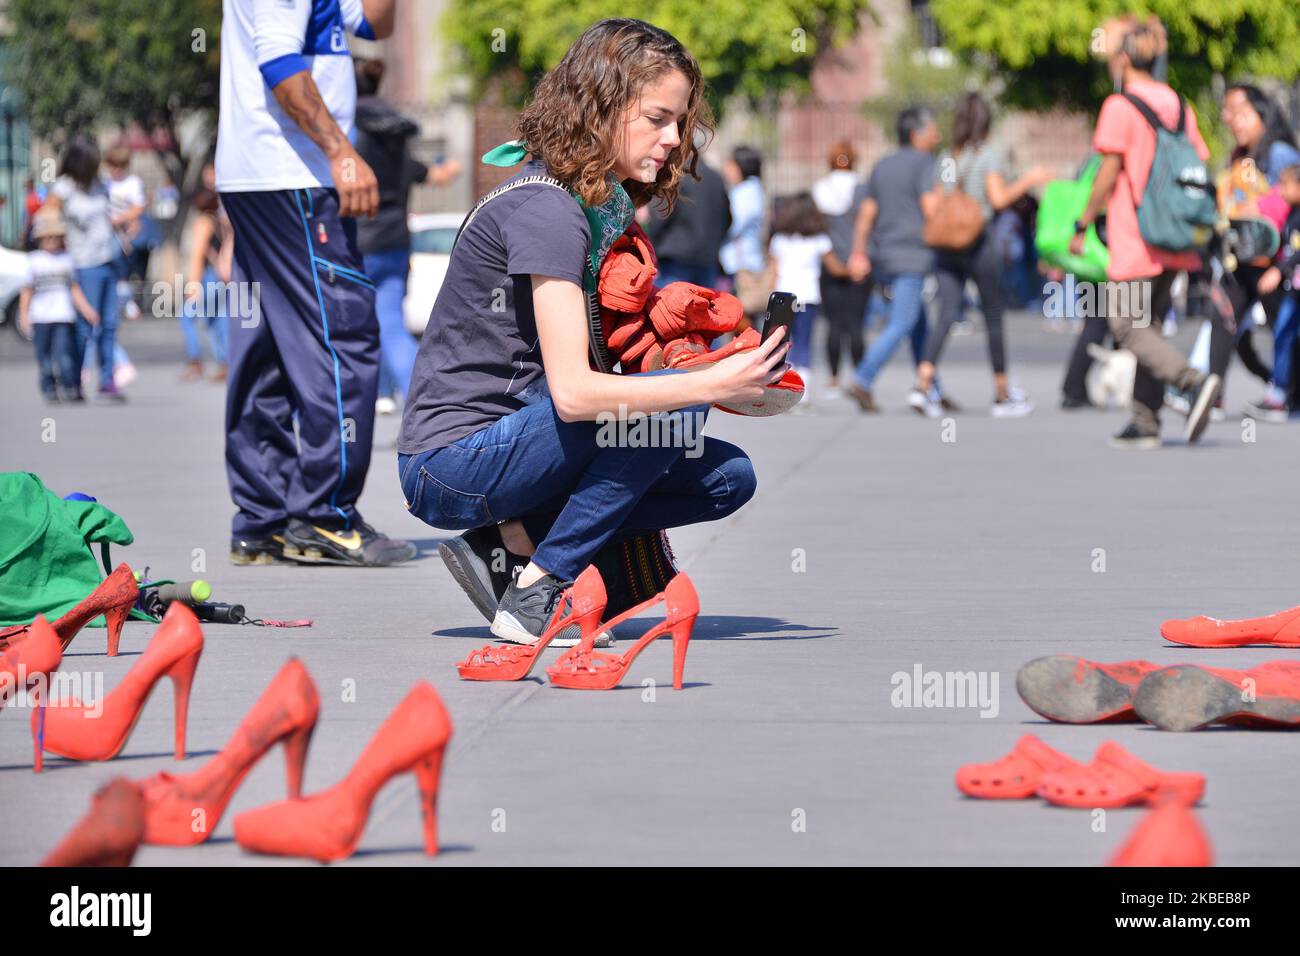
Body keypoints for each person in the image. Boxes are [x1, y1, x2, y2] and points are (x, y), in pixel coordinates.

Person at [396, 18, 781, 643]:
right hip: (453, 461)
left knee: (728, 476)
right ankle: (540, 588)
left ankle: (508, 542)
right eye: (657, 118)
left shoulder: (593, 207)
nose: (674, 138)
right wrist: (705, 382)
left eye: (679, 122)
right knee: (669, 416)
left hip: (528, 441)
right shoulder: (548, 207)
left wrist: (730, 381)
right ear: (603, 105)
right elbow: (577, 394)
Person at [216, 0, 415, 567]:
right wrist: (341, 152)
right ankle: (324, 516)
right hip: (296, 175)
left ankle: (264, 519)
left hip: (261, 177)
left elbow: (374, 24)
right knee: (343, 341)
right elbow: (280, 64)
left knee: (269, 351)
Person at [1069, 18, 1220, 448]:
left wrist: (1083, 223)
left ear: (1122, 60)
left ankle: (1191, 383)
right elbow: (1197, 158)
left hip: (1137, 236)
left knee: (1127, 326)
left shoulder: (1120, 106)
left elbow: (1108, 171)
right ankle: (1145, 421)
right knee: (1147, 324)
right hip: (1175, 234)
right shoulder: (1177, 102)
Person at [910, 93, 1055, 417]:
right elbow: (998, 198)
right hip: (979, 242)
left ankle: (922, 385)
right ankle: (1002, 393)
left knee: (945, 313)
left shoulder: (947, 157)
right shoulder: (988, 156)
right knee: (992, 315)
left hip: (947, 245)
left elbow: (936, 203)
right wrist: (1029, 180)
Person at [353, 56, 462, 413]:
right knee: (389, 325)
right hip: (395, 244)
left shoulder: (346, 131)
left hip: (356, 245)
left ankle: (410, 402)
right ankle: (405, 399)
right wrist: (451, 167)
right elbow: (434, 174)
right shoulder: (394, 134)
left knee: (363, 329)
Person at [845, 106, 941, 413]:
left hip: (885, 254)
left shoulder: (882, 165)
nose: (937, 134)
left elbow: (866, 215)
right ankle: (863, 377)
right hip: (913, 254)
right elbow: (931, 209)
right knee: (902, 321)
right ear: (917, 134)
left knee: (919, 324)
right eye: (932, 129)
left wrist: (858, 252)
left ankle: (933, 388)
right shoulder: (926, 164)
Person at [44, 138, 125, 403]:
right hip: (82, 264)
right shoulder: (64, 189)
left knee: (109, 324)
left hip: (107, 260)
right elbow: (47, 220)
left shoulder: (99, 184)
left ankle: (107, 381)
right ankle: (74, 380)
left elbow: (107, 216)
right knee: (84, 326)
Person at [18, 210, 98, 403]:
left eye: (56, 236)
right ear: (40, 238)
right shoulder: (34, 260)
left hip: (63, 315)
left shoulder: (67, 260)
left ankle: (69, 385)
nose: (52, 240)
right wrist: (24, 315)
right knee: (44, 357)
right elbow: (27, 291)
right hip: (41, 317)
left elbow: (74, 288)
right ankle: (48, 387)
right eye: (48, 237)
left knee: (64, 354)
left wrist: (87, 309)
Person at [812, 141, 870, 393]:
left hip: (830, 262)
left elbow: (817, 229)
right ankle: (859, 374)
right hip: (858, 262)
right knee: (856, 323)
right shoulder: (862, 188)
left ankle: (834, 376)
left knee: (834, 323)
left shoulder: (820, 189)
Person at [639, 133, 731, 289]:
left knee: (671, 311)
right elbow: (727, 219)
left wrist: (647, 249)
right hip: (707, 261)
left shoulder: (677, 175)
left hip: (675, 261)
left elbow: (660, 215)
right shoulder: (716, 178)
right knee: (702, 311)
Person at [1248, 163, 1300, 421]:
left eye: (1286, 183)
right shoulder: (1291, 216)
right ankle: (1280, 395)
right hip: (1293, 291)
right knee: (1283, 336)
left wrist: (1280, 270)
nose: (1281, 190)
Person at [767, 192, 831, 396]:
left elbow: (774, 271)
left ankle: (786, 386)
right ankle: (803, 390)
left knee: (783, 343)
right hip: (809, 295)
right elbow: (834, 266)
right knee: (804, 342)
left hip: (784, 297)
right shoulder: (819, 239)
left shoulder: (779, 240)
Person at [179, 186, 232, 382]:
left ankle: (195, 360)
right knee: (219, 320)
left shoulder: (203, 223)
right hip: (220, 276)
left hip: (207, 277)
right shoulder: (220, 222)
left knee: (186, 317)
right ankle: (225, 363)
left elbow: (197, 256)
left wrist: (193, 285)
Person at [720, 145, 768, 323]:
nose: (726, 170)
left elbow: (733, 224)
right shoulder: (750, 189)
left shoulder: (746, 192)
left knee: (741, 319)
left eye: (730, 165)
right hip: (743, 262)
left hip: (741, 265)